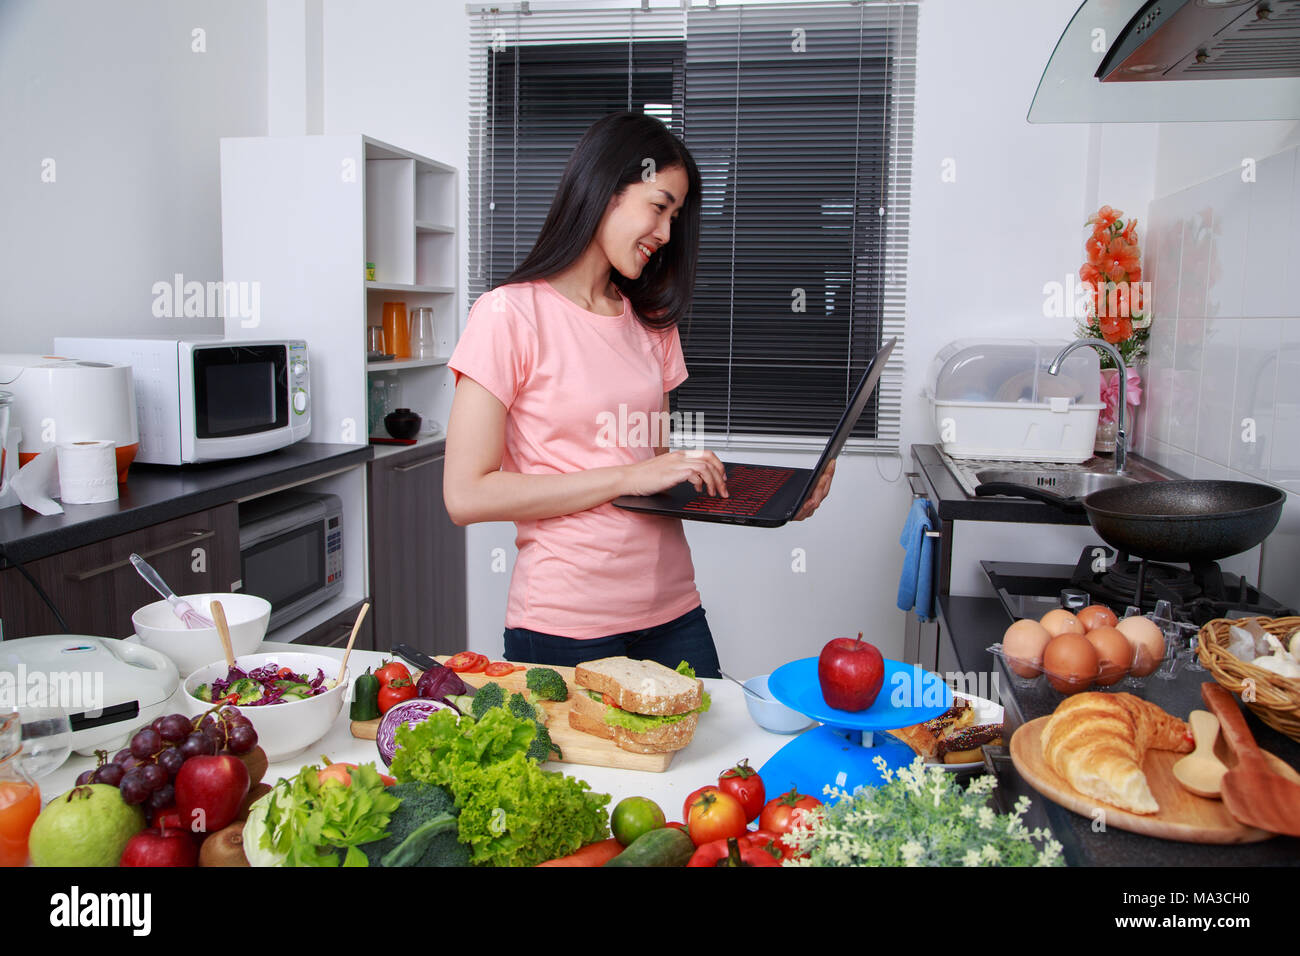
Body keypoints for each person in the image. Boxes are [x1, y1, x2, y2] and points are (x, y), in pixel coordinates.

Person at [443, 111, 834, 678]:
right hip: (565, 623)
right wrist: (628, 477)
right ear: (605, 190)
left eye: (676, 215)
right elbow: (467, 495)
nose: (667, 233)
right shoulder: (509, 315)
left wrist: (775, 503)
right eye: (658, 206)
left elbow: (654, 475)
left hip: (672, 609)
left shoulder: (651, 324)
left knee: (709, 763)